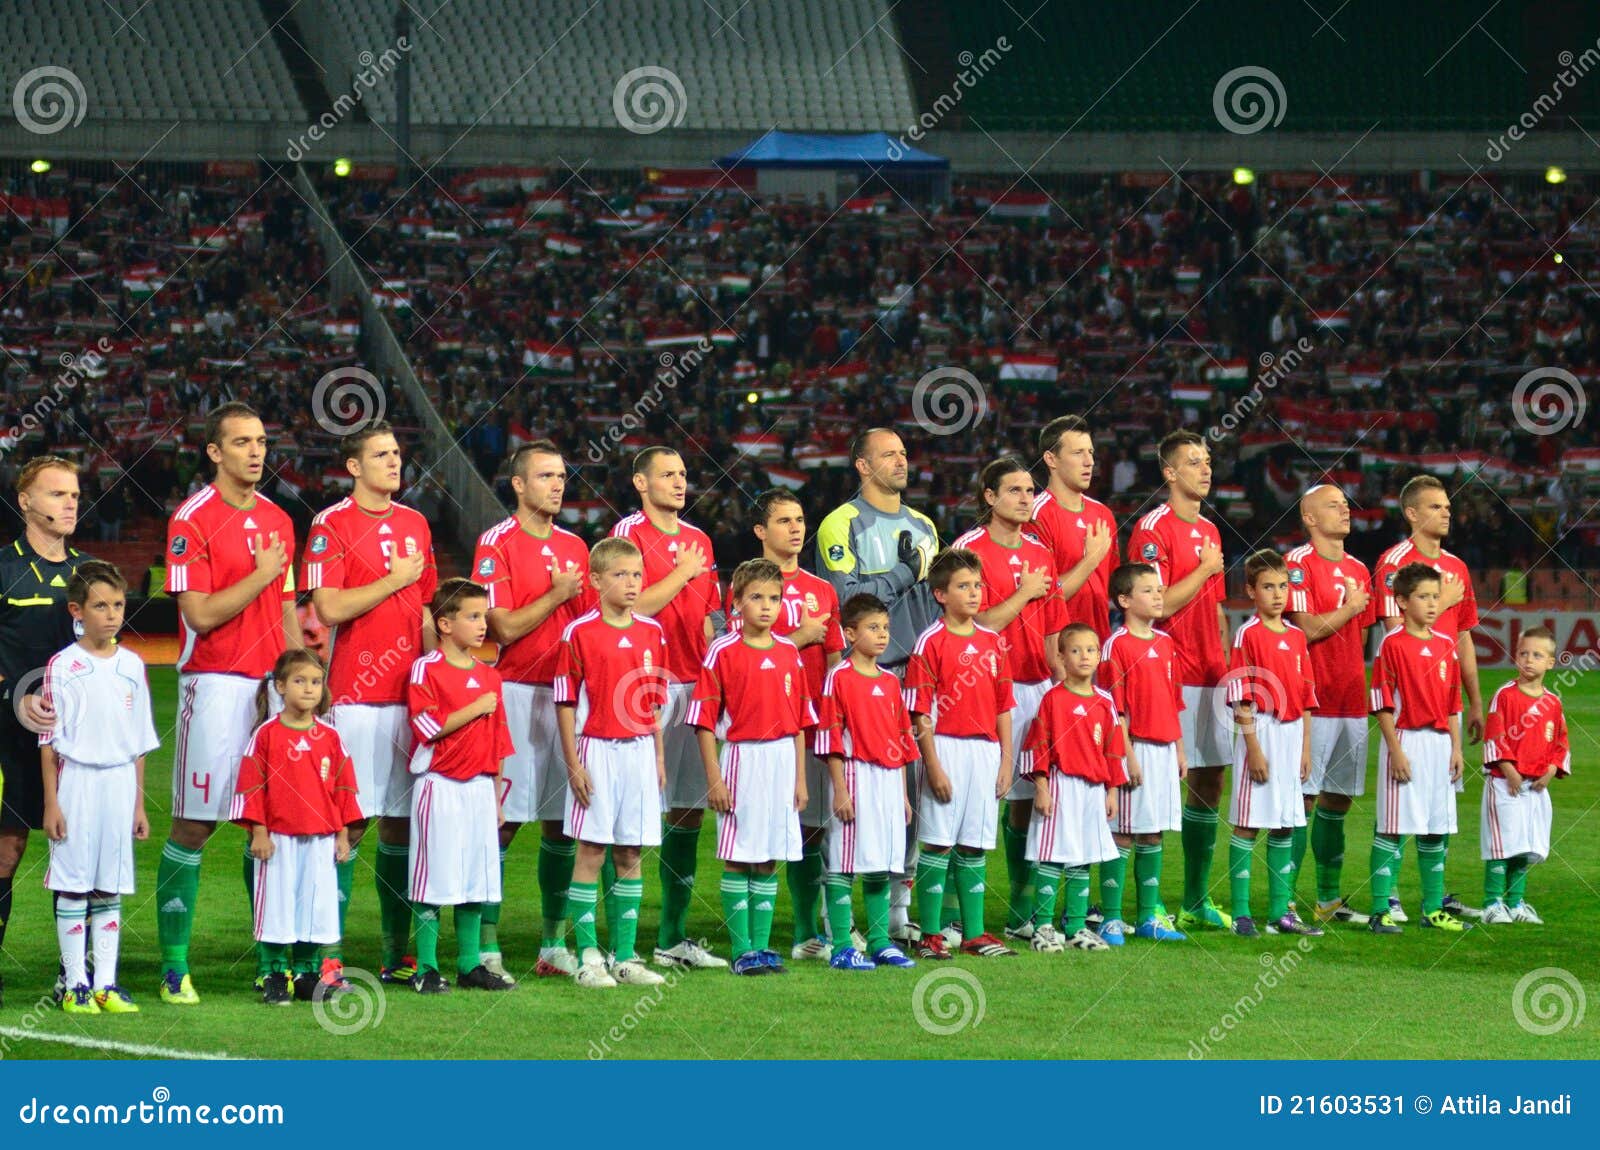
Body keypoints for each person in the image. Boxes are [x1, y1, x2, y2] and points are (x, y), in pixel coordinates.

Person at [157, 403, 301, 1006]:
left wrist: (303, 679)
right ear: (214, 452)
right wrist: (263, 572)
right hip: (215, 685)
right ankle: (173, 966)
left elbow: (289, 609)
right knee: (195, 823)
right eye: (241, 442)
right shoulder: (191, 519)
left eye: (262, 440)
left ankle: (271, 963)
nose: (255, 451)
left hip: (273, 690)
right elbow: (200, 614)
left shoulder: (279, 519)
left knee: (269, 827)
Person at [305, 421, 437, 985]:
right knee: (349, 824)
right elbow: (328, 608)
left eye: (397, 454)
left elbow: (428, 608)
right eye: (381, 454)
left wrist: (438, 677)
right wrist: (391, 581)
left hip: (408, 696)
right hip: (354, 697)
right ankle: (327, 953)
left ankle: (394, 953)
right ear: (354, 466)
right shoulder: (329, 524)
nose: (394, 462)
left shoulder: (416, 523)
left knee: (403, 826)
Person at [475, 440, 593, 979]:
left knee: (561, 825)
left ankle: (551, 944)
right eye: (545, 475)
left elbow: (590, 627)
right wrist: (554, 595)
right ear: (518, 485)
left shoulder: (577, 547)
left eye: (562, 475)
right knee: (502, 825)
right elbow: (499, 628)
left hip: (565, 699)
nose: (557, 484)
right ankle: (486, 943)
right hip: (515, 694)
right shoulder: (495, 543)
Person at [816, 428, 939, 942]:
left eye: (904, 454)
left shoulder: (926, 526)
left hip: (909, 675)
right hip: (858, 673)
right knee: (848, 801)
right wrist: (903, 574)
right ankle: (833, 919)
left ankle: (895, 913)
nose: (901, 462)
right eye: (888, 455)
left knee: (904, 798)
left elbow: (932, 604)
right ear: (862, 466)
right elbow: (849, 597)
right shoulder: (839, 523)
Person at [610, 447, 724, 970]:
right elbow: (628, 606)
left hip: (693, 685)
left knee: (687, 812)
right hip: (641, 687)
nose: (680, 482)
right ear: (640, 481)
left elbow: (711, 615)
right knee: (629, 820)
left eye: (683, 473)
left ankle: (673, 937)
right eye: (668, 474)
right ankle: (616, 944)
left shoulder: (699, 539)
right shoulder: (626, 535)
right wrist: (680, 575)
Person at [954, 458, 1066, 942]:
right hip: (980, 690)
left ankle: (1021, 910)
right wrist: (1022, 594)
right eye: (1015, 490)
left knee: (1029, 800)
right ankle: (961, 917)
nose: (1026, 498)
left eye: (1029, 490)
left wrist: (1063, 686)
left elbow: (1053, 628)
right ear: (989, 496)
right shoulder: (968, 551)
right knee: (975, 800)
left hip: (1035, 687)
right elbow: (974, 627)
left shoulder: (1042, 552)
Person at [728, 490, 843, 961]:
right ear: (760, 531)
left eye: (800, 520)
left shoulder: (823, 589)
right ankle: (779, 935)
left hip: (811, 723)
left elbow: (836, 661)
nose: (795, 529)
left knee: (811, 829)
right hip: (763, 730)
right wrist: (800, 638)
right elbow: (745, 654)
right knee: (767, 830)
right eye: (783, 521)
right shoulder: (745, 587)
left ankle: (808, 931)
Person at [690, 559, 818, 975]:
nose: (767, 606)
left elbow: (800, 722)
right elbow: (705, 722)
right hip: (742, 759)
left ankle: (762, 948)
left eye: (775, 598)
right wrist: (714, 777)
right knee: (739, 856)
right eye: (757, 598)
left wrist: (800, 779)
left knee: (768, 857)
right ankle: (742, 949)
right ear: (737, 602)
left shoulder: (788, 653)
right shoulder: (721, 652)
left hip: (782, 760)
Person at [39, 561, 157, 1014]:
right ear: (77, 610)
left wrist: (138, 805)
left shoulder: (132, 664)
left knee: (110, 884)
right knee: (73, 884)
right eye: (101, 605)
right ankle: (74, 984)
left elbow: (140, 742)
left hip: (119, 783)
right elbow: (48, 742)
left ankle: (105, 983)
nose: (111, 614)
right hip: (78, 783)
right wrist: (52, 803)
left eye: (119, 605)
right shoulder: (63, 666)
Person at [1127, 430, 1231, 933]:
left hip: (1212, 673)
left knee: (1211, 781)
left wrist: (1227, 661)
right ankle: (1146, 905)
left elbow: (1214, 605)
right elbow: (1159, 603)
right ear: (1170, 473)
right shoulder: (1153, 530)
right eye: (1193, 462)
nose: (1205, 469)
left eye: (1207, 460)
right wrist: (1207, 567)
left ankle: (1194, 898)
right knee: (1163, 787)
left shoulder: (1210, 530)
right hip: (1168, 674)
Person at [0, 455, 95, 1008]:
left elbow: (104, 655)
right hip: (12, 737)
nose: (70, 504)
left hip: (76, 742)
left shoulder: (91, 575)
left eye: (75, 495)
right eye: (57, 494)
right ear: (26, 502)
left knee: (77, 856)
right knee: (7, 850)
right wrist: (16, 699)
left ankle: (76, 973)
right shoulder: (4, 570)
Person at [553, 537, 669, 989]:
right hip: (595, 749)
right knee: (591, 850)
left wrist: (658, 756)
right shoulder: (578, 632)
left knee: (630, 852)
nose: (631, 583)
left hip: (640, 751)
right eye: (621, 575)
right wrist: (573, 764)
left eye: (637, 575)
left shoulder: (652, 632)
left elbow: (653, 702)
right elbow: (564, 703)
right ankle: (587, 957)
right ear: (597, 580)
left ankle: (625, 957)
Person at [1373, 474, 1482, 922]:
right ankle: (1388, 898)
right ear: (1413, 514)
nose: (1447, 512)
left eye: (1448, 506)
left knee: (1438, 817)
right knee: (1397, 817)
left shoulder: (1457, 567)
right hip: (1407, 722)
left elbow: (1463, 639)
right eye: (1436, 506)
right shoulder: (1395, 562)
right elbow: (1392, 638)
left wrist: (1475, 702)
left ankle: (1433, 903)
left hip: (1442, 720)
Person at [405, 578, 517, 992]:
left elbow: (499, 741)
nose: (482, 624)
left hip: (479, 790)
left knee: (476, 879)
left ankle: (470, 964)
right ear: (445, 624)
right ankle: (427, 968)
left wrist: (496, 795)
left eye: (483, 616)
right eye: (472, 617)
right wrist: (474, 708)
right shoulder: (426, 668)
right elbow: (426, 726)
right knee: (433, 877)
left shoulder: (491, 676)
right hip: (440, 786)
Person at [233, 649, 363, 1006]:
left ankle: (306, 973)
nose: (309, 689)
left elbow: (343, 788)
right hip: (279, 840)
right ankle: (275, 974)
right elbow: (251, 785)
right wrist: (258, 831)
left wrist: (341, 833)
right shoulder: (266, 735)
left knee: (314, 907)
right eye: (299, 681)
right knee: (276, 907)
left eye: (316, 682)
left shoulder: (331, 736)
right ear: (280, 686)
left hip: (320, 839)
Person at [905, 548, 1016, 960]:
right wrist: (932, 765)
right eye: (963, 586)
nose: (973, 593)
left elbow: (1004, 704)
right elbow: (921, 711)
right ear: (940, 595)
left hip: (985, 751)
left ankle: (974, 934)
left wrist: (1006, 760)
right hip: (946, 748)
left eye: (977, 586)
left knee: (974, 844)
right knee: (937, 843)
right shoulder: (930, 642)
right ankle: (931, 934)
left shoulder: (993, 642)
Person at [1285, 484, 1374, 926]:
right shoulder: (1298, 564)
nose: (1345, 510)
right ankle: (1284, 902)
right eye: (1333, 506)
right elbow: (1303, 630)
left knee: (1338, 801)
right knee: (1301, 800)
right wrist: (1351, 607)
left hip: (1351, 700)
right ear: (1310, 518)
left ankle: (1328, 899)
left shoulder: (1359, 567)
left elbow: (1359, 639)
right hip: (1312, 702)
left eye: (1346, 504)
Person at [814, 593, 917, 971]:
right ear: (850, 633)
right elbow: (829, 736)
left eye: (886, 628)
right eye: (873, 628)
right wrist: (839, 789)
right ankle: (841, 943)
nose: (882, 635)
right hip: (856, 775)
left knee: (882, 862)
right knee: (844, 861)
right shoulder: (837, 677)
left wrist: (904, 795)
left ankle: (879, 941)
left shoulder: (891, 681)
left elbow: (904, 738)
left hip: (890, 781)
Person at [1224, 550, 1323, 938]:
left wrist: (1305, 748)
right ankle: (1242, 913)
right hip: (1262, 732)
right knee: (1248, 824)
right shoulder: (1247, 634)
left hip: (1292, 733)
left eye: (1283, 586)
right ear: (1251, 590)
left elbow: (1307, 696)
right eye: (1268, 586)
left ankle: (1281, 913)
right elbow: (1240, 696)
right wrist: (1253, 749)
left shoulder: (1298, 637)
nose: (1278, 594)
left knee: (1284, 825)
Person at [1366, 563, 1466, 935]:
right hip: (1406, 741)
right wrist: (1394, 751)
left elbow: (1454, 703)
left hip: (1440, 746)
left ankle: (1433, 909)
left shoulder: (1446, 646)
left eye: (1435, 597)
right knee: (1392, 828)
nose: (1431, 604)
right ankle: (1380, 910)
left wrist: (1456, 749)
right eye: (1423, 597)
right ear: (1402, 602)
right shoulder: (1391, 644)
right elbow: (1381, 702)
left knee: (1436, 830)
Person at [1019, 621, 1124, 953]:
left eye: (1091, 650)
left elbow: (1113, 749)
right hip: (1061, 786)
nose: (1084, 656)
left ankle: (1077, 926)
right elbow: (1039, 745)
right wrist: (1042, 786)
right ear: (1061, 657)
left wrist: (1111, 790)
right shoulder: (1053, 699)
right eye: (1076, 650)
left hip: (1093, 790)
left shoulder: (1105, 701)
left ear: (1099, 656)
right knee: (1052, 855)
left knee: (1083, 857)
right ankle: (1044, 927)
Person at [1098, 563, 1187, 943]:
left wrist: (1180, 750)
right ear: (1124, 600)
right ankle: (1111, 917)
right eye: (1148, 590)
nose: (1158, 596)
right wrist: (1127, 755)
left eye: (1159, 589)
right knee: (1123, 834)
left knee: (1152, 834)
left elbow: (1174, 700)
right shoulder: (1115, 645)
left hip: (1165, 749)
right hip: (1135, 747)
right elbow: (1112, 708)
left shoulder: (1166, 643)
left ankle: (1150, 916)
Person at [1479, 627, 1569, 925]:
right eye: (1523, 653)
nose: (1529, 660)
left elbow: (1561, 742)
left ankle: (1516, 903)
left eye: (1537, 655)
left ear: (1550, 663)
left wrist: (1552, 769)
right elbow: (1494, 734)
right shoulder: (1505, 695)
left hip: (1535, 787)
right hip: (1505, 784)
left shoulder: (1553, 703)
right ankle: (1492, 903)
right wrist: (1508, 769)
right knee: (1501, 843)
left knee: (1524, 846)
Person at [1028, 415, 1117, 642]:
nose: (1089, 461)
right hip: (1057, 653)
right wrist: (1091, 559)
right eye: (1078, 453)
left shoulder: (1103, 515)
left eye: (1091, 452)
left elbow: (1112, 588)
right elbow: (1041, 596)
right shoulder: (1036, 515)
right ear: (1051, 459)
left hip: (1100, 647)